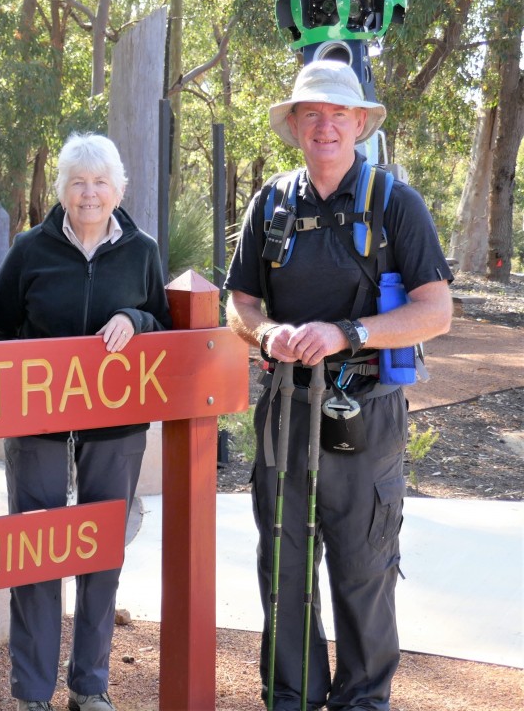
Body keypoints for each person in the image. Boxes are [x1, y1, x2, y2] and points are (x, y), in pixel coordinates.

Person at [223, 59, 452, 711]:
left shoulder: (394, 204)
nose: (325, 126)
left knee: (362, 573)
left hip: (366, 415)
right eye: (312, 114)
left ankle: (362, 702)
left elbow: (435, 310)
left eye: (338, 115)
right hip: (287, 412)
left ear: (359, 123)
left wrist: (347, 333)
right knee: (285, 571)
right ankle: (290, 699)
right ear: (295, 125)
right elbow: (240, 303)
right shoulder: (269, 203)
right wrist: (267, 336)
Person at [0, 133, 172, 711]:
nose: (89, 193)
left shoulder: (141, 250)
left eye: (100, 182)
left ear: (119, 189)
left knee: (101, 554)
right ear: (61, 189)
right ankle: (32, 693)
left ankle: (90, 687)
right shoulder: (29, 249)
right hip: (38, 425)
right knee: (35, 554)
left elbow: (164, 325)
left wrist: (135, 317)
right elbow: (1, 328)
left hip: (115, 429)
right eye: (77, 181)